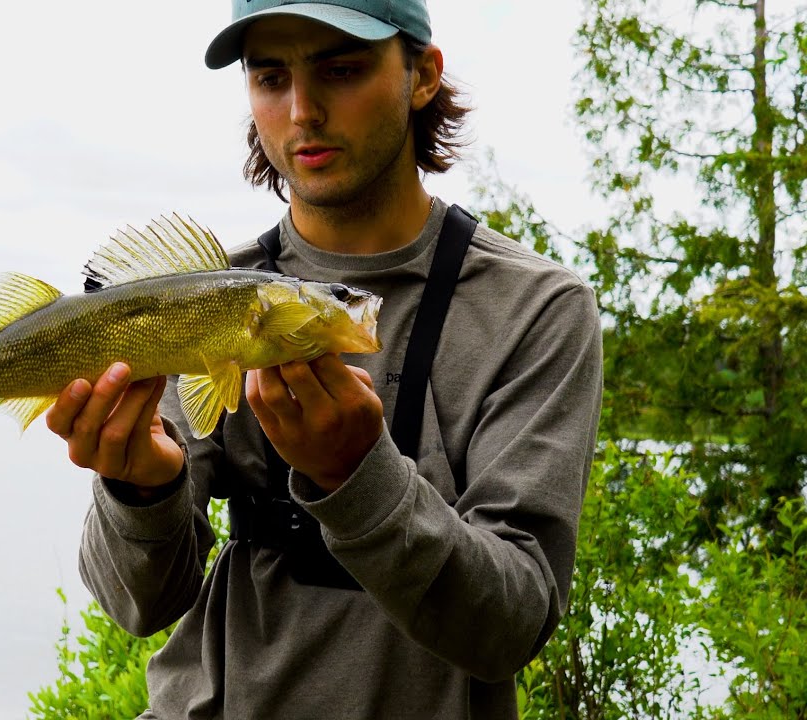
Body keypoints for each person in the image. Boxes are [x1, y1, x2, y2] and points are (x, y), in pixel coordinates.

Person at [44, 1, 603, 717]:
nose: (303, 110)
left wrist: (355, 475)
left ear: (423, 75)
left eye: (341, 69)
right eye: (271, 77)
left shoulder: (535, 310)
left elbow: (510, 628)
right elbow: (137, 603)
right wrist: (140, 489)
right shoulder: (202, 305)